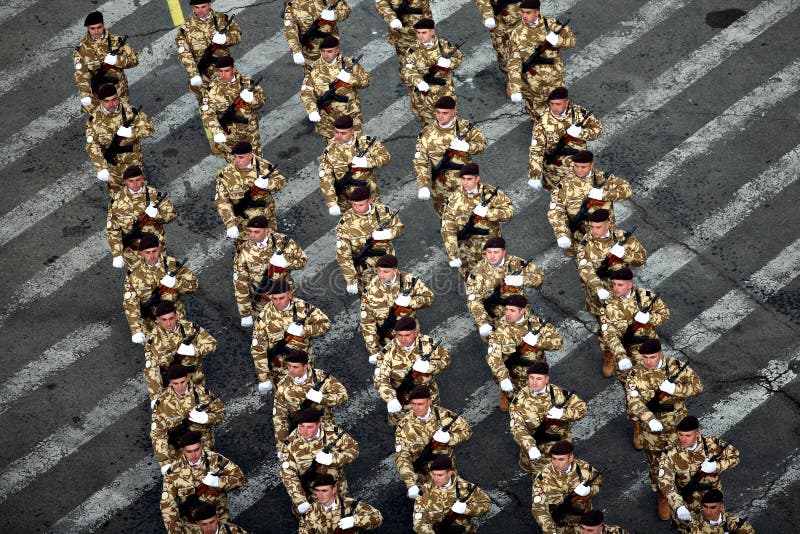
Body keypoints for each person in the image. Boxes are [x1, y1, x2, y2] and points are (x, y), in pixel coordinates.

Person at [625, 340, 704, 520]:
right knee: (656, 465)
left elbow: (697, 387)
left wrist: (676, 389)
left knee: (684, 460)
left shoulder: (676, 367)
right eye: (645, 358)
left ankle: (684, 492)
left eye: (652, 357)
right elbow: (633, 402)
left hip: (679, 428)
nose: (648, 362)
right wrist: (649, 419)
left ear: (661, 354)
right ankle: (663, 495)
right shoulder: (636, 374)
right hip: (652, 432)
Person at [658, 417, 740, 530]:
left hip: (712, 501)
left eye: (688, 435)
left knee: (716, 528)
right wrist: (678, 506)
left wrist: (717, 466)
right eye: (680, 435)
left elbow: (735, 456)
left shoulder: (711, 444)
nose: (683, 439)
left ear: (697, 434)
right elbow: (665, 482)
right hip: (687, 502)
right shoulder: (671, 452)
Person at [251, 279, 331, 394]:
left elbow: (325, 324)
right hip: (280, 373)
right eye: (274, 298)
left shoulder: (303, 308)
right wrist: (263, 379)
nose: (278, 302)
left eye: (281, 298)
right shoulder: (264, 318)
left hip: (304, 368)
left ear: (290, 295)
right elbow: (258, 349)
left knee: (311, 401)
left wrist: (304, 330)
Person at [575, 209, 647, 336]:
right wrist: (598, 288)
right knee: (605, 324)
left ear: (608, 224)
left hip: (622, 289)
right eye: (591, 227)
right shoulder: (585, 244)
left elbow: (641, 259)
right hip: (599, 293)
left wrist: (625, 254)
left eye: (598, 227)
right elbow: (585, 269)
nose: (594, 231)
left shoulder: (622, 237)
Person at [394, 385, 473, 500]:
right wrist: (411, 484)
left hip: (445, 470)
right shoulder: (403, 426)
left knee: (454, 498)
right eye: (413, 404)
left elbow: (467, 431)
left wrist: (450, 438)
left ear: (430, 402)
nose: (416, 408)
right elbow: (401, 456)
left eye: (420, 404)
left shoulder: (443, 415)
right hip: (423, 475)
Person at [412, 96, 487, 216]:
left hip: (464, 185)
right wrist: (423, 185)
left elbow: (482, 145)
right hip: (439, 187)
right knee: (445, 218)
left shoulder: (464, 127)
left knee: (468, 217)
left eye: (445, 113)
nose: (440, 116)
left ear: (454, 112)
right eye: (438, 112)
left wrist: (468, 147)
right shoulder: (426, 133)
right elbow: (420, 161)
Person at [279, 408, 360, 517]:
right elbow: (287, 474)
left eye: (309, 427)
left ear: (318, 424)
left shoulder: (334, 433)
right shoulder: (291, 443)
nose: (304, 431)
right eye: (301, 426)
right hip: (308, 493)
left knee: (341, 516)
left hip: (336, 488)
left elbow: (354, 449)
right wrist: (300, 500)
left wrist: (333, 459)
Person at [160, 431, 245, 533]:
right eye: (189, 451)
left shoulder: (215, 460)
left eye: (197, 449)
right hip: (192, 522)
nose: (194, 455)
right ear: (183, 451)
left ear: (202, 446)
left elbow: (240, 478)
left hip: (217, 516)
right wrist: (175, 531)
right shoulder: (173, 472)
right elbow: (167, 505)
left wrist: (218, 482)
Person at [441, 162, 515, 279]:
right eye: (463, 179)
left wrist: (489, 213)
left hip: (492, 247)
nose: (465, 182)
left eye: (469, 179)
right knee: (472, 281)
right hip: (468, 252)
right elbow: (447, 229)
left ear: (477, 179)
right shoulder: (454, 200)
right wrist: (453, 255)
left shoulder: (490, 193)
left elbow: (509, 212)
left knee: (498, 278)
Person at [487, 296, 563, 410]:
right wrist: (503, 379)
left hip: (536, 373)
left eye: (512, 310)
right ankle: (505, 394)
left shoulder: (536, 324)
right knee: (514, 401)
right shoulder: (499, 330)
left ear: (522, 311)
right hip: (512, 373)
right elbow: (493, 357)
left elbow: (558, 342)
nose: (507, 313)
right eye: (506, 309)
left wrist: (538, 342)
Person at [509, 362, 586, 474]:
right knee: (539, 479)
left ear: (546, 379)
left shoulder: (559, 394)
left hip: (560, 450)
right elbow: (517, 426)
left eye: (539, 378)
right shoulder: (520, 400)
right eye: (531, 378)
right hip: (536, 450)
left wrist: (563, 414)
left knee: (564, 477)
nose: (534, 382)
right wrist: (530, 447)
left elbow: (582, 409)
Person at [547, 150, 632, 250]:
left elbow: (627, 190)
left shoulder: (602, 178)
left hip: (606, 236)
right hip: (579, 240)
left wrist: (604, 194)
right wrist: (562, 234)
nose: (579, 170)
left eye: (583, 167)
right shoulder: (564, 185)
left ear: (591, 165)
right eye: (576, 166)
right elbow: (555, 210)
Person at [375, 317, 450, 427]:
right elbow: (381, 378)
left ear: (415, 333)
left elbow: (445, 360)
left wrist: (430, 367)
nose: (403, 339)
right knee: (401, 429)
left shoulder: (428, 345)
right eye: (400, 335)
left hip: (427, 397)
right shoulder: (388, 353)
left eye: (407, 335)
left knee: (431, 426)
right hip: (401, 401)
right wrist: (390, 398)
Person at [123, 233, 199, 342]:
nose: (152, 255)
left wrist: (176, 283)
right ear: (141, 253)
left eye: (154, 251)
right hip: (150, 324)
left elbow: (194, 286)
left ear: (159, 249)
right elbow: (130, 302)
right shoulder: (134, 273)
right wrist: (136, 330)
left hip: (173, 318)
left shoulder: (172, 264)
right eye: (147, 252)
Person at [233, 215, 307, 326]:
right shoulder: (244, 251)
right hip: (261, 302)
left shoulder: (282, 241)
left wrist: (286, 263)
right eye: (250, 231)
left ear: (267, 231)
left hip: (285, 294)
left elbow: (302, 261)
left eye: (256, 232)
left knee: (291, 325)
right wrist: (245, 313)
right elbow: (240, 284)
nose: (252, 235)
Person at [151, 365, 226, 472]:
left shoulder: (203, 394)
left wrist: (207, 418)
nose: (179, 387)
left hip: (203, 448)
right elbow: (158, 434)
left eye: (182, 382)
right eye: (175, 383)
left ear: (188, 378)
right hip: (178, 453)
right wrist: (164, 462)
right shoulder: (162, 403)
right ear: (170, 382)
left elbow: (221, 413)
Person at [360, 255, 435, 363]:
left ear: (395, 271)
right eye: (379, 271)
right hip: (386, 338)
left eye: (385, 271)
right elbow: (367, 322)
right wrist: (373, 350)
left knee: (416, 363)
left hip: (410, 333)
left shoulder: (408, 281)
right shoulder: (370, 291)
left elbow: (429, 297)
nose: (381, 275)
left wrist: (411, 302)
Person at [465, 237, 545, 338]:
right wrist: (483, 323)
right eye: (489, 252)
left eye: (496, 252)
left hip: (520, 316)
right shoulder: (477, 273)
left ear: (503, 253)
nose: (492, 256)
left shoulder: (516, 263)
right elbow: (473, 300)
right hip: (493, 322)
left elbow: (540, 277)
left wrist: (522, 280)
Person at [506, 0, 575, 116]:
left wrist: (558, 41)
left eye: (528, 13)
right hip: (533, 86)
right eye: (522, 12)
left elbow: (571, 42)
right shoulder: (516, 35)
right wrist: (515, 88)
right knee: (538, 117)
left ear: (537, 12)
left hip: (555, 80)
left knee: (560, 114)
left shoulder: (551, 24)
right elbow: (514, 63)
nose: (524, 16)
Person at [273, 350, 349, 453]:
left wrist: (321, 398)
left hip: (325, 429)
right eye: (289, 366)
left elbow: (343, 396)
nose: (290, 370)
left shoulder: (320, 377)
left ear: (305, 367)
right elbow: (279, 418)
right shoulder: (283, 386)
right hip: (300, 433)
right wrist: (282, 447)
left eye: (295, 367)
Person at [215, 141, 287, 248]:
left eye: (241, 157)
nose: (237, 161)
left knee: (269, 250)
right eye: (235, 157)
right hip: (242, 227)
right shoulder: (226, 174)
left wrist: (268, 184)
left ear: (250, 155)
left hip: (265, 222)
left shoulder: (263, 166)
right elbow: (222, 201)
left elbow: (282, 182)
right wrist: (230, 224)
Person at [599, 268, 670, 378]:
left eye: (620, 285)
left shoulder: (646, 296)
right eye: (614, 284)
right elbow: (609, 334)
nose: (615, 288)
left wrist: (649, 318)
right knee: (628, 380)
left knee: (655, 375)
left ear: (630, 284)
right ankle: (610, 357)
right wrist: (621, 356)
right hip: (622, 347)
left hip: (648, 345)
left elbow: (665, 314)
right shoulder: (607, 306)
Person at [85, 83, 154, 196]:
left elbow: (149, 129)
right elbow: (92, 145)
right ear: (101, 101)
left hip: (133, 162)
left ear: (118, 97)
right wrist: (101, 168)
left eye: (114, 99)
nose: (111, 104)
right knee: (117, 197)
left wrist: (132, 133)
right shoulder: (94, 120)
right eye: (107, 101)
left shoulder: (130, 111)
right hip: (112, 167)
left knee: (139, 194)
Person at [528, 87, 603, 191]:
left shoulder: (579, 114)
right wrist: (534, 175)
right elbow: (537, 149)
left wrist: (581, 133)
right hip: (554, 171)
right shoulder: (542, 120)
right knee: (559, 199)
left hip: (578, 167)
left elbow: (598, 131)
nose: (554, 108)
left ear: (566, 103)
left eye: (558, 104)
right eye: (552, 104)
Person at [144, 300, 218, 403]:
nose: (168, 323)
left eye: (171, 318)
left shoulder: (190, 329)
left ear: (177, 316)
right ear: (157, 320)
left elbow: (212, 344)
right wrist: (155, 397)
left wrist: (194, 350)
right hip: (172, 383)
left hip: (194, 377)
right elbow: (151, 369)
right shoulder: (151, 341)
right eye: (164, 320)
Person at [335, 186, 405, 293]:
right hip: (364, 269)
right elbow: (343, 254)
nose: (356, 208)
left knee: (393, 293)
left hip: (387, 264)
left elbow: (399, 227)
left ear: (369, 201)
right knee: (371, 300)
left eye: (360, 205)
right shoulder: (345, 223)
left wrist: (388, 233)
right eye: (354, 204)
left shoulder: (383, 212)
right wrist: (351, 280)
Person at [106, 165, 177, 269]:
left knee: (160, 274)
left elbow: (172, 215)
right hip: (132, 253)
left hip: (154, 250)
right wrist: (117, 254)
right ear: (125, 181)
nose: (135, 184)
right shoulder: (116, 202)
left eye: (138, 180)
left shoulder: (154, 195)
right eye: (131, 181)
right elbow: (112, 229)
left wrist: (157, 215)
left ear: (142, 178)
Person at [318, 115, 391, 216]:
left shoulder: (366, 142)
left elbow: (385, 157)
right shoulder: (329, 151)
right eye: (336, 132)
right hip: (346, 201)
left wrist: (367, 162)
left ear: (352, 131)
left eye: (343, 133)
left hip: (369, 196)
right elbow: (325, 178)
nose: (338, 136)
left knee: (376, 222)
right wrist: (332, 203)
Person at [300, 37, 371, 140]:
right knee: (334, 153)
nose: (325, 55)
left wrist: (350, 78)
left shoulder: (349, 63)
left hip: (351, 117)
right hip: (328, 121)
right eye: (323, 51)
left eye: (329, 51)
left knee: (355, 148)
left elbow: (366, 81)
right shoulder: (314, 69)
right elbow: (306, 92)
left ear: (337, 50)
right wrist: (312, 110)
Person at [400, 19, 464, 127]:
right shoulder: (413, 51)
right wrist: (419, 82)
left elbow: (458, 57)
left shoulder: (444, 45)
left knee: (449, 123)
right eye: (418, 33)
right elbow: (407, 70)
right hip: (424, 94)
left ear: (432, 32)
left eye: (424, 32)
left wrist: (450, 63)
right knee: (428, 125)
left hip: (445, 91)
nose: (420, 36)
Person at [531, 440, 603, 534]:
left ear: (571, 458)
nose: (556, 464)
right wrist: (550, 530)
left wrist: (590, 491)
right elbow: (538, 507)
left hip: (583, 519)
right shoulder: (543, 477)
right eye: (554, 458)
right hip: (557, 523)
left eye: (561, 459)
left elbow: (598, 482)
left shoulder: (584, 468)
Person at [200, 57, 266, 157]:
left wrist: (252, 100)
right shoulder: (212, 90)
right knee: (238, 166)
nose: (223, 75)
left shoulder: (247, 83)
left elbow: (262, 102)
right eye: (220, 71)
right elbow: (206, 112)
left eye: (227, 71)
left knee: (256, 161)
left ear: (234, 70)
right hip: (230, 137)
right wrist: (217, 132)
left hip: (251, 132)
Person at [74, 11, 139, 112]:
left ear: (103, 25)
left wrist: (117, 60)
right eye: (92, 28)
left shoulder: (117, 41)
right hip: (98, 95)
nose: (96, 31)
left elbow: (134, 60)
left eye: (99, 27)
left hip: (117, 93)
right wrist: (85, 94)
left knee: (123, 118)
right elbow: (81, 73)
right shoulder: (81, 48)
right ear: (88, 28)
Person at [175, 0, 242, 98]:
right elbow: (184, 53)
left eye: (203, 7)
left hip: (224, 70)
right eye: (196, 7)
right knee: (207, 103)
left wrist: (226, 40)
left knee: (231, 99)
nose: (200, 11)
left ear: (209, 5)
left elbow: (238, 36)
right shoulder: (185, 28)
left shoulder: (222, 19)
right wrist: (194, 74)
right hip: (202, 73)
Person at [412, 455, 491, 533]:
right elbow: (418, 519)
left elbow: (486, 504)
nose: (436, 479)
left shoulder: (465, 488)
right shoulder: (424, 491)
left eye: (440, 475)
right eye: (434, 474)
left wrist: (466, 509)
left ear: (450, 473)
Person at [299, 474, 384, 533]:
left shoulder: (350, 504)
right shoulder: (310, 512)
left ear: (334, 490)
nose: (320, 495)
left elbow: (378, 518)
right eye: (317, 491)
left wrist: (355, 520)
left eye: (324, 491)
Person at [283, 0, 352, 66]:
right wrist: (296, 51)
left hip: (331, 47)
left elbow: (346, 11)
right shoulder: (292, 6)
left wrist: (335, 15)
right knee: (314, 76)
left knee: (335, 71)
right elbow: (290, 30)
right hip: (310, 54)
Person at [473, 0, 522, 78]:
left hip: (523, 13)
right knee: (505, 56)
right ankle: (513, 82)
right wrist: (488, 16)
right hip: (502, 23)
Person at [689, 490, 753, 534]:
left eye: (713, 507)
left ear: (721, 507)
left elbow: (749, 531)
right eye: (705, 507)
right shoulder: (694, 522)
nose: (708, 512)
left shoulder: (732, 520)